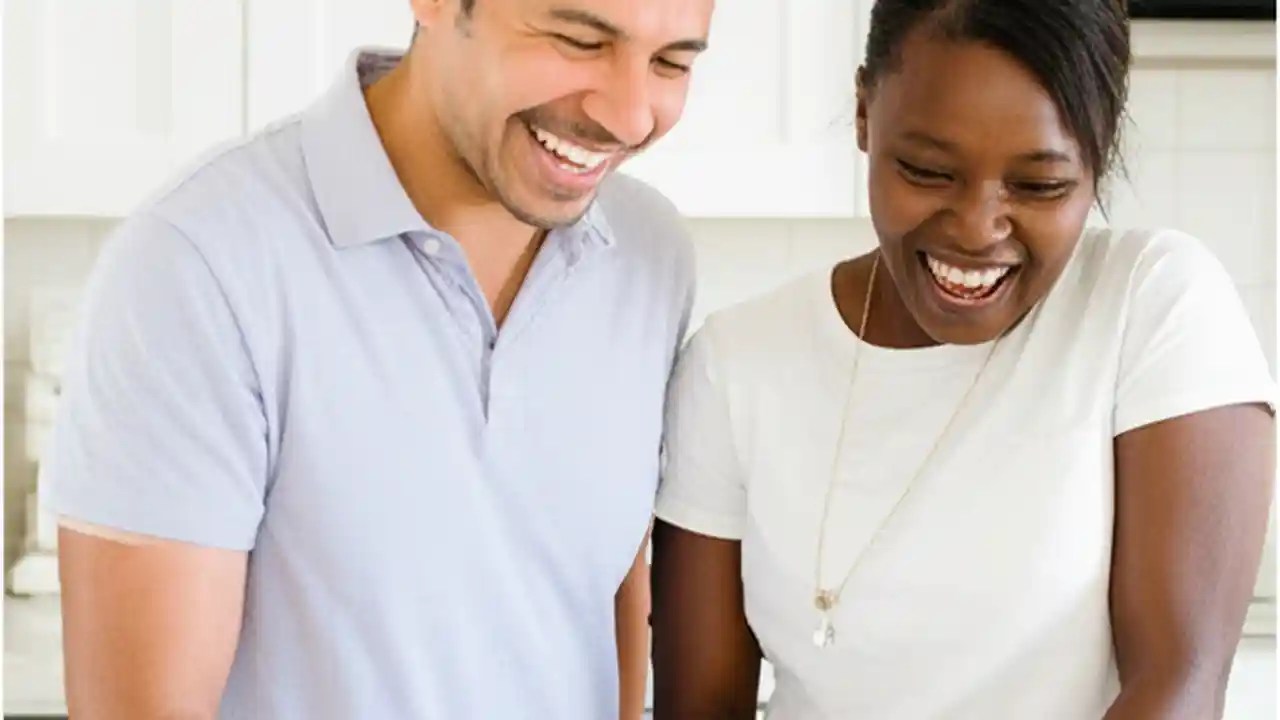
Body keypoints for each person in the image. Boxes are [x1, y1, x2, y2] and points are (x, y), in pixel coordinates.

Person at [43, 0, 713, 717]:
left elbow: (601, 587)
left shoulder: (648, 253)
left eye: (671, 62)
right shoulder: (199, 263)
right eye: (579, 40)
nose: (631, 115)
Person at [650, 0, 1276, 717]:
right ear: (863, 113)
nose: (978, 229)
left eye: (1039, 186)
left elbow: (1179, 686)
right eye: (927, 171)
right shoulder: (737, 364)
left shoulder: (1152, 304)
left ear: (1099, 154)